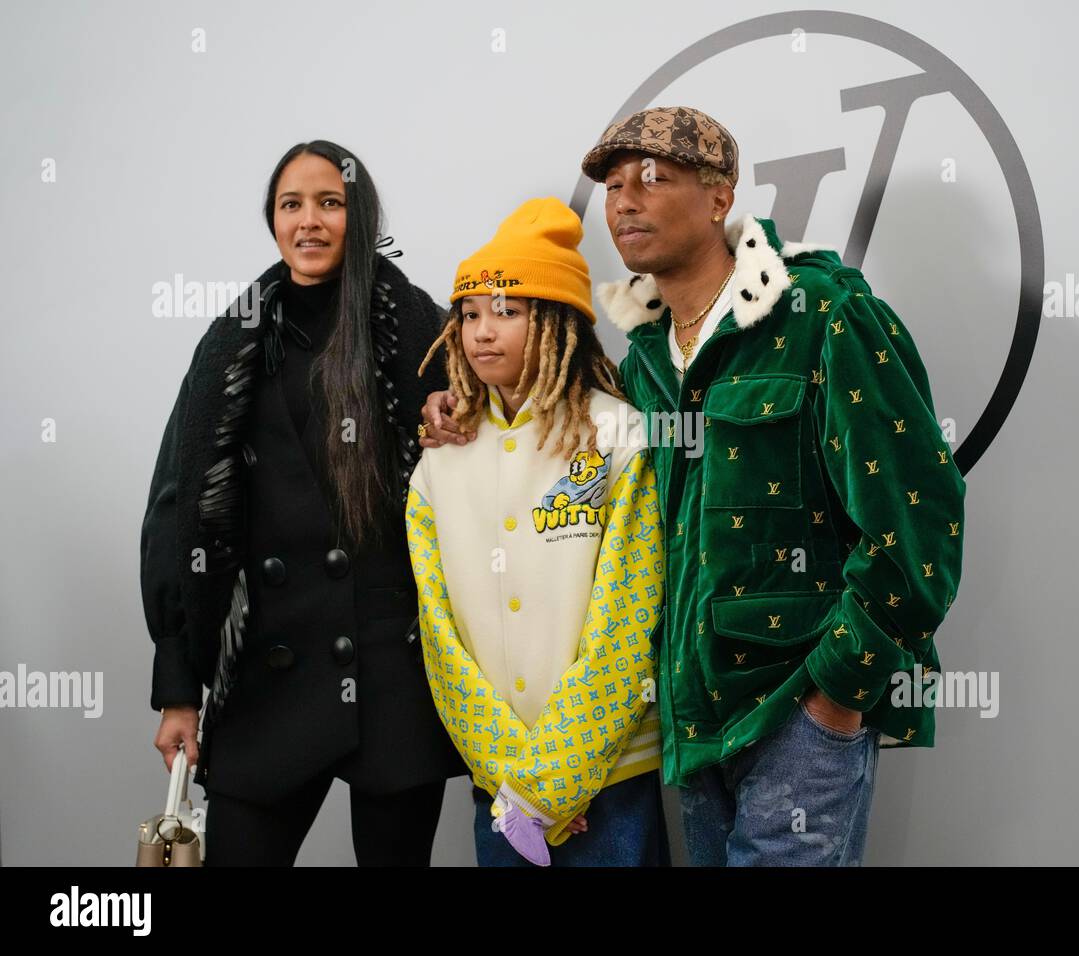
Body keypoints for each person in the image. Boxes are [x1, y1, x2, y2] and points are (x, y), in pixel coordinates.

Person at [422, 107, 968, 866]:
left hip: (798, 709)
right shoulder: (643, 361)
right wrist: (462, 406)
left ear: (720, 197)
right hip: (693, 720)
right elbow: (555, 427)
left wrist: (837, 693)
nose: (624, 201)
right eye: (613, 186)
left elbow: (919, 520)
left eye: (651, 179)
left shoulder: (823, 314)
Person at [141, 140, 465, 866]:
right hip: (268, 675)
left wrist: (456, 413)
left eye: (330, 203)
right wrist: (179, 689)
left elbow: (497, 453)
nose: (309, 220)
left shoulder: (426, 332)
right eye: (291, 204)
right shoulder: (229, 344)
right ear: (274, 220)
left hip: (394, 673)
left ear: (362, 216)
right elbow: (176, 508)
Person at [406, 197, 669, 866]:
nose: (482, 332)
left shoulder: (617, 434)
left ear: (555, 320)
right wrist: (516, 778)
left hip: (609, 779)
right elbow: (441, 638)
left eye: (507, 311)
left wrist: (555, 779)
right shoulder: (439, 459)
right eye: (469, 314)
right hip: (499, 781)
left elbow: (628, 620)